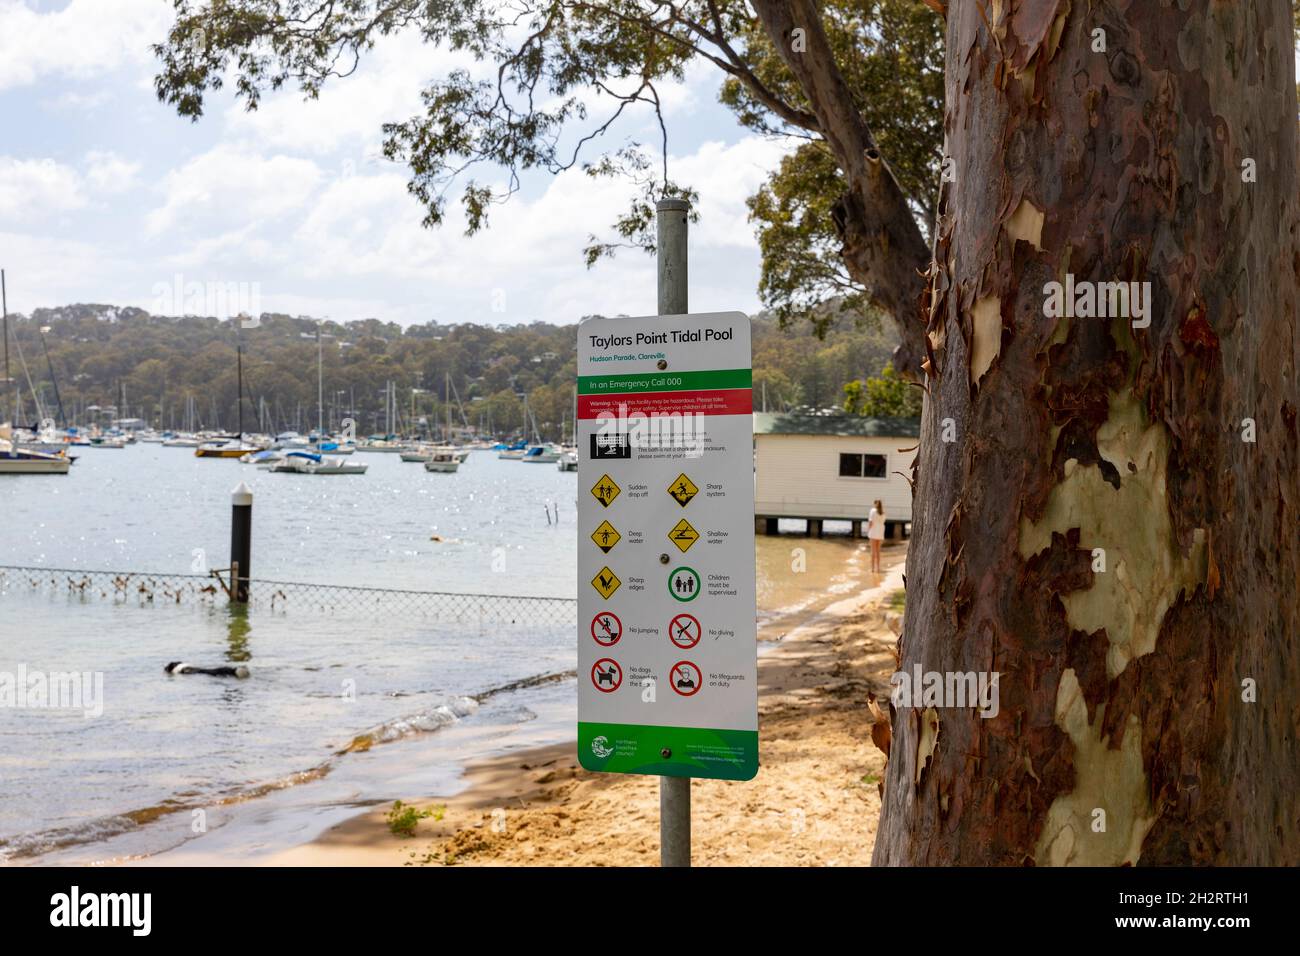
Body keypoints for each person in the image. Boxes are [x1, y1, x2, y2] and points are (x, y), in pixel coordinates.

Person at [866, 499, 886, 573]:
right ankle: (878, 568)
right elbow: (883, 522)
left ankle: (872, 569)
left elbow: (871, 522)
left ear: (875, 504)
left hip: (873, 533)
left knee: (873, 551)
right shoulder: (883, 513)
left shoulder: (873, 511)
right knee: (878, 551)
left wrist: (868, 531)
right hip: (880, 533)